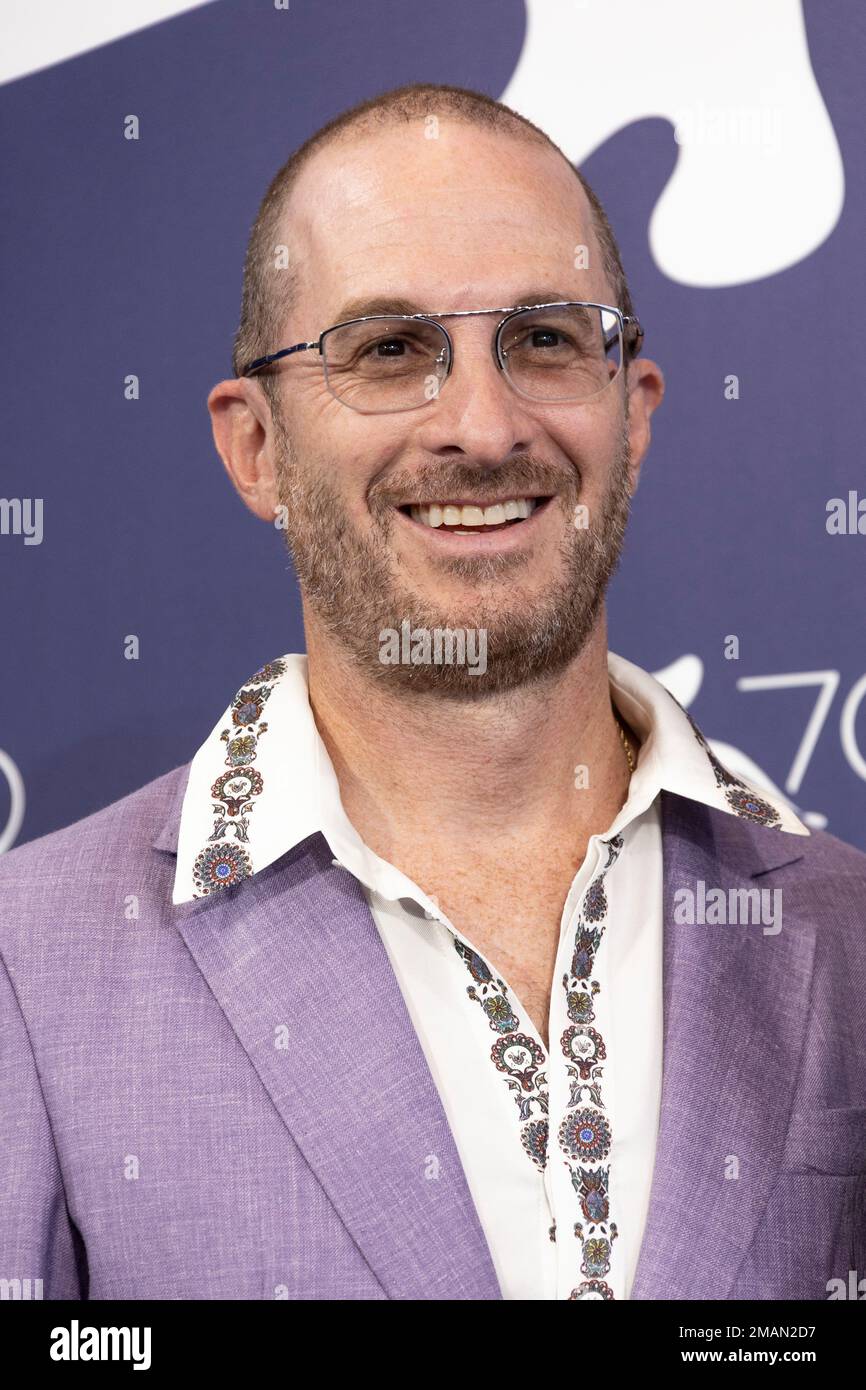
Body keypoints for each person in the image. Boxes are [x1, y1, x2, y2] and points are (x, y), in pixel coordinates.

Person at [1, 82, 864, 1303]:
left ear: (633, 412)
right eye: (391, 350)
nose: (480, 422)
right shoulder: (26, 964)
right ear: (257, 449)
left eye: (548, 339)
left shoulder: (845, 923)